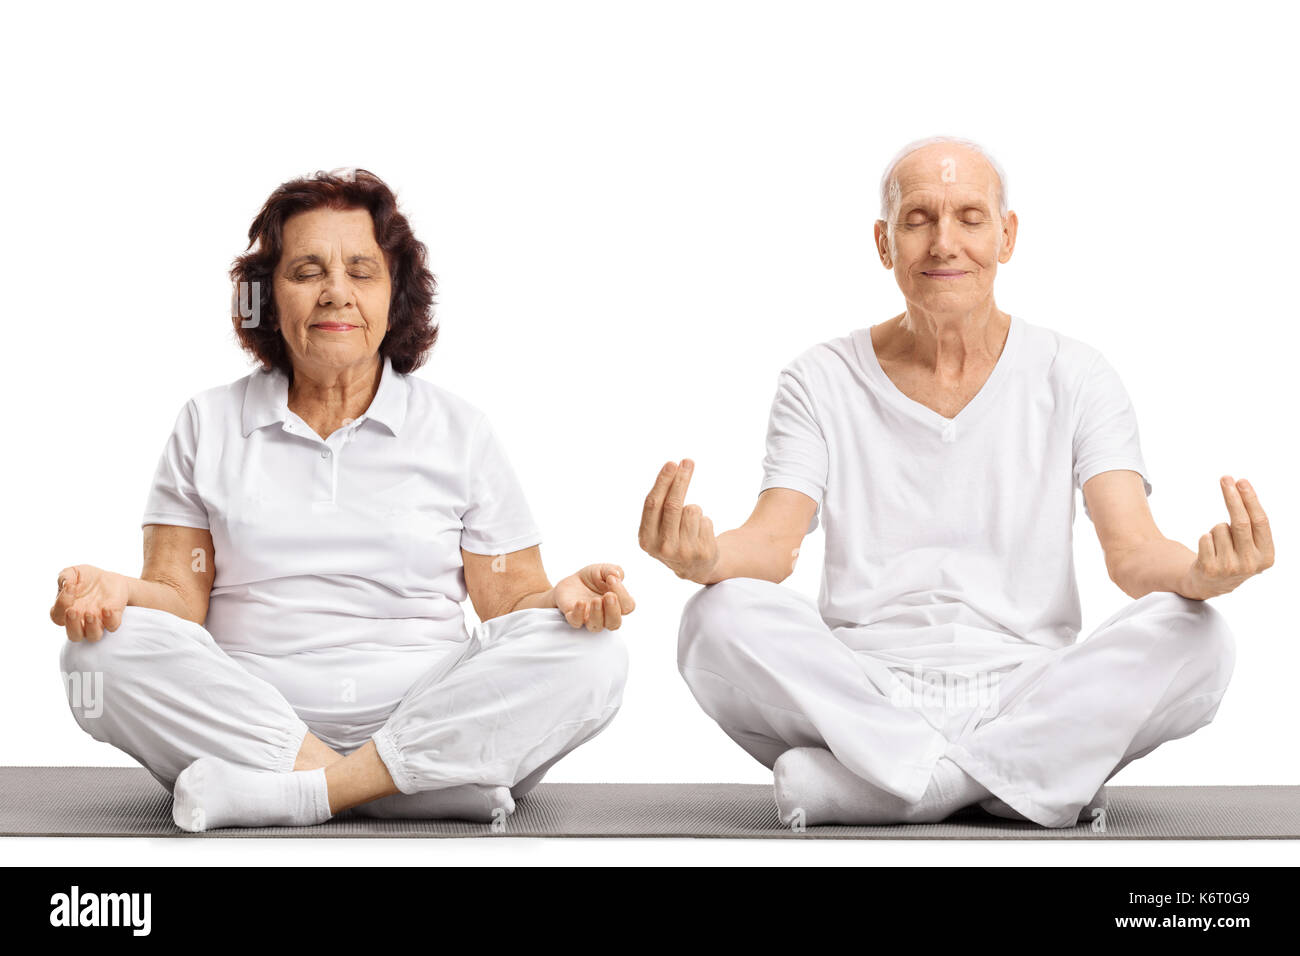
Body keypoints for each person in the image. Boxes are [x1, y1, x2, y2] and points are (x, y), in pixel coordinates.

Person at [640, 136, 1273, 828]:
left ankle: (898, 789)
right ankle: (1024, 779)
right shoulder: (819, 378)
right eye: (918, 220)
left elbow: (1134, 552)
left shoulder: (1078, 374)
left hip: (1030, 687)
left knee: (1200, 637)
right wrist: (707, 561)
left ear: (1008, 235)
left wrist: (1204, 574)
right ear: (884, 243)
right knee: (714, 618)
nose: (946, 242)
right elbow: (770, 544)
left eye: (971, 217)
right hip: (867, 692)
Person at [53, 167, 632, 832]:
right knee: (95, 654)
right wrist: (115, 591)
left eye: (361, 270)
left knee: (594, 656)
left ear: (395, 295)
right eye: (306, 271)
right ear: (267, 297)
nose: (336, 293)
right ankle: (407, 789)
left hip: (433, 706)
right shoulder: (206, 423)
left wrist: (565, 599)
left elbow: (511, 605)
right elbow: (180, 603)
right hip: (250, 715)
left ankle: (302, 794)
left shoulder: (458, 429)